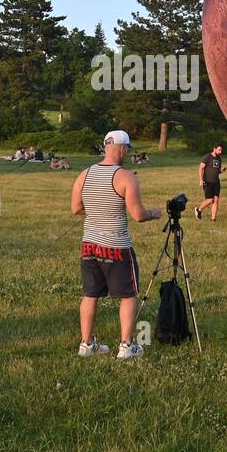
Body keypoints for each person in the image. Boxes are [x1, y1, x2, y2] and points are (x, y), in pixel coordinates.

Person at [70, 130, 160, 360]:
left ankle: (86, 344)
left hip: (89, 245)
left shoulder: (84, 174)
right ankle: (126, 346)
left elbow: (76, 208)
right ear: (122, 148)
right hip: (116, 246)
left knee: (90, 294)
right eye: (127, 149)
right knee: (128, 295)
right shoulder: (125, 177)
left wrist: (97, 213)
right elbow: (138, 215)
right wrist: (154, 213)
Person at [195, 142, 225, 222]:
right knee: (210, 200)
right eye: (219, 150)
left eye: (221, 150)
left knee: (216, 200)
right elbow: (200, 168)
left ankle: (213, 219)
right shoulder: (207, 157)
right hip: (207, 182)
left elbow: (217, 170)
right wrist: (201, 180)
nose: (220, 152)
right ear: (214, 149)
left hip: (216, 182)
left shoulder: (219, 159)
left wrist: (221, 170)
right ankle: (198, 210)